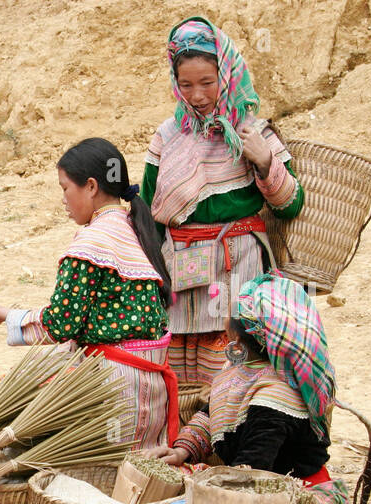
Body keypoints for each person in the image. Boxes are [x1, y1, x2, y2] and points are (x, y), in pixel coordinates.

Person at [0, 138, 177, 451]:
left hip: (110, 390)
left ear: (91, 186)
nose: (63, 200)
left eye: (65, 188)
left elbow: (61, 325)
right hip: (149, 391)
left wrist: (6, 317)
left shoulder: (90, 245)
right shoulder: (137, 230)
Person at [141, 16, 304, 390]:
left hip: (239, 267)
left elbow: (290, 205)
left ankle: (230, 442)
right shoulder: (167, 136)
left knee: (236, 365)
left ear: (227, 76)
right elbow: (150, 214)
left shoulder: (253, 132)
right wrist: (151, 276)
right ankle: (187, 445)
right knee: (182, 375)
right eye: (186, 84)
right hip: (180, 272)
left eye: (207, 83)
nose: (197, 95)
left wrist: (264, 160)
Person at [158, 273, 347, 504]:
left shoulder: (276, 397)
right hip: (252, 482)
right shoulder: (243, 367)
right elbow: (211, 413)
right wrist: (181, 451)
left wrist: (197, 475)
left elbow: (250, 473)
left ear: (237, 337)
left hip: (291, 496)